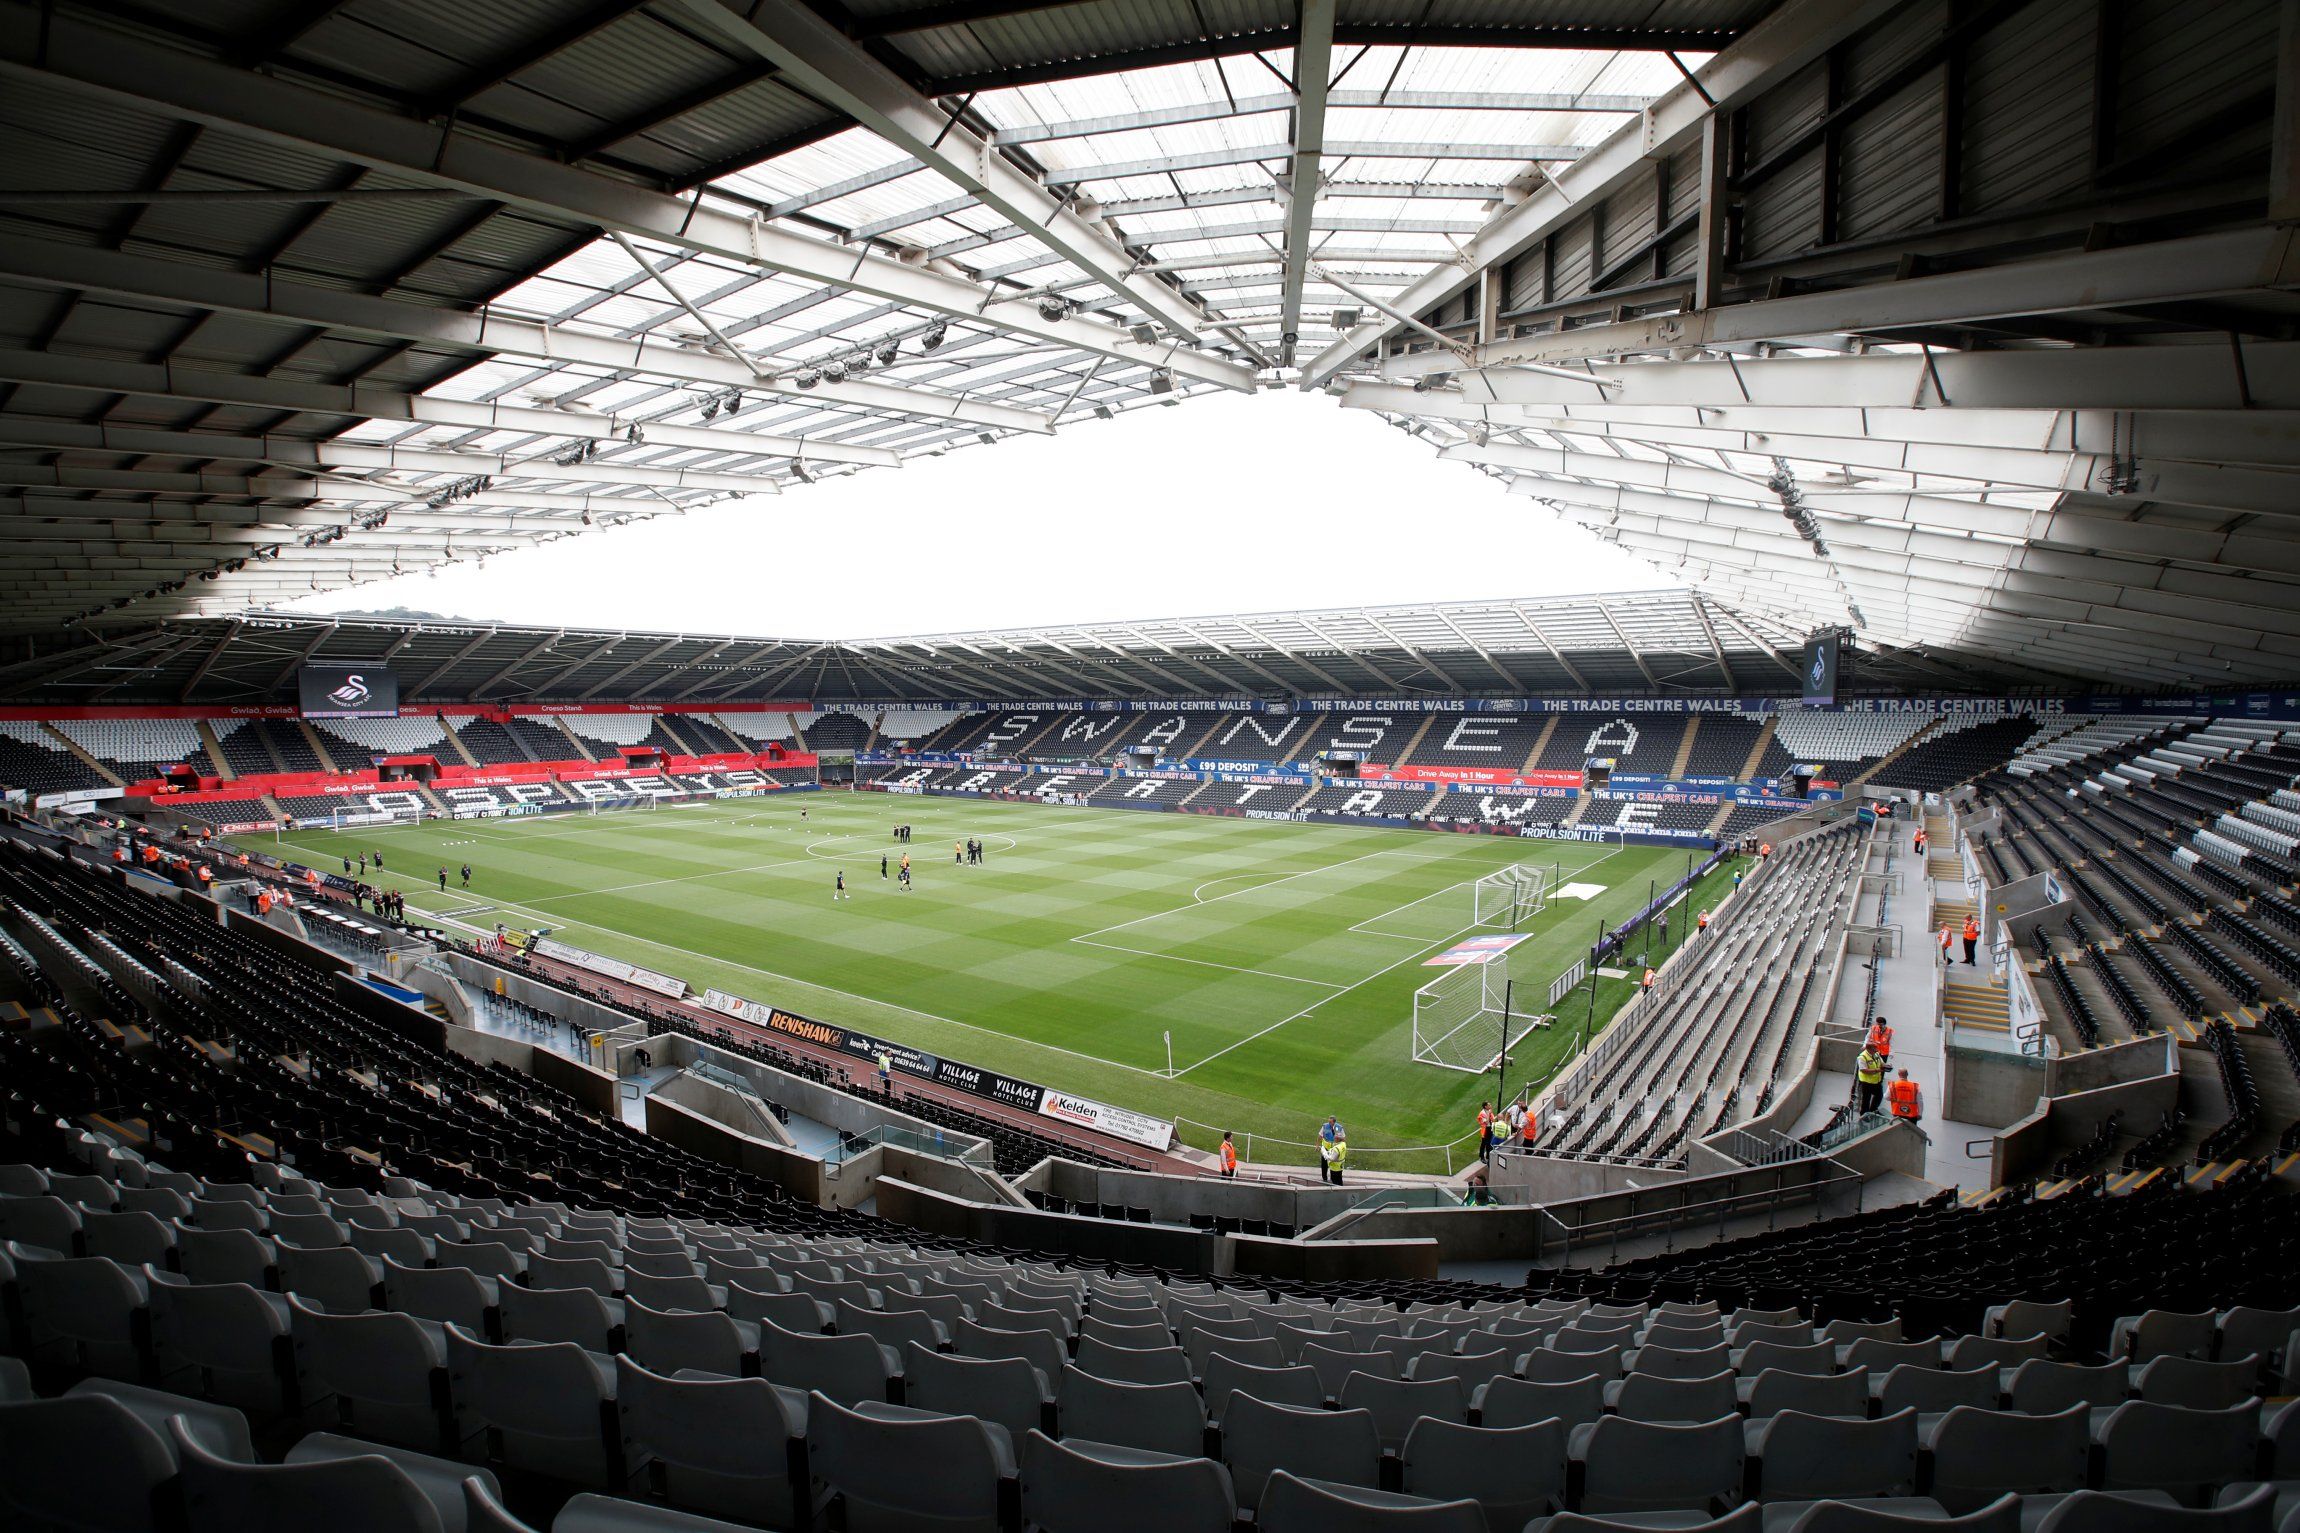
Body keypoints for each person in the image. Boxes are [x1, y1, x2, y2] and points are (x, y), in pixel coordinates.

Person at [1855, 1045, 1887, 1116]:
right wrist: (1877, 1070)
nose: (1876, 1050)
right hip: (1866, 1083)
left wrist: (1886, 1066)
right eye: (1874, 1049)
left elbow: (1881, 1063)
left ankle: (1873, 1110)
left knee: (1879, 1096)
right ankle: (1864, 1115)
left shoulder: (1876, 1054)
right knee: (1866, 1100)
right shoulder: (1862, 1057)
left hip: (1876, 1081)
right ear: (1868, 1049)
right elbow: (1863, 1070)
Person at [1318, 1116, 1342, 1184]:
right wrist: (1317, 1145)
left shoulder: (1339, 1127)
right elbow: (1320, 1135)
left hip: (1334, 1150)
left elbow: (1343, 1138)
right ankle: (1324, 1178)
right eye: (1328, 1121)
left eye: (1330, 1122)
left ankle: (1332, 1178)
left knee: (1332, 1164)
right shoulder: (1325, 1126)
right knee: (1324, 1164)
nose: (1329, 1123)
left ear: (1334, 1122)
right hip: (1325, 1149)